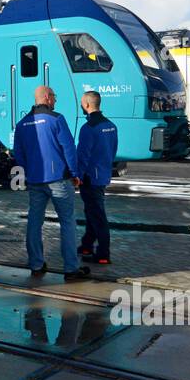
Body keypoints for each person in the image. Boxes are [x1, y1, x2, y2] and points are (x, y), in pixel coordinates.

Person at [12, 85, 86, 280]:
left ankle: (36, 264)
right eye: (54, 96)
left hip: (35, 180)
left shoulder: (22, 124)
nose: (55, 100)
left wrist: (30, 169)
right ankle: (71, 268)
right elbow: (68, 148)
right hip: (59, 179)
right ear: (46, 97)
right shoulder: (57, 119)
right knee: (67, 222)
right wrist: (74, 172)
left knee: (34, 222)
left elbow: (18, 153)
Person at [75, 90, 118, 265]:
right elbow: (113, 149)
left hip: (90, 177)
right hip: (103, 174)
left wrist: (77, 175)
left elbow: (83, 155)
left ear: (86, 104)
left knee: (97, 214)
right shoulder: (111, 125)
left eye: (81, 102)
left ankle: (103, 254)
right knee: (92, 211)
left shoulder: (88, 128)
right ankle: (86, 245)